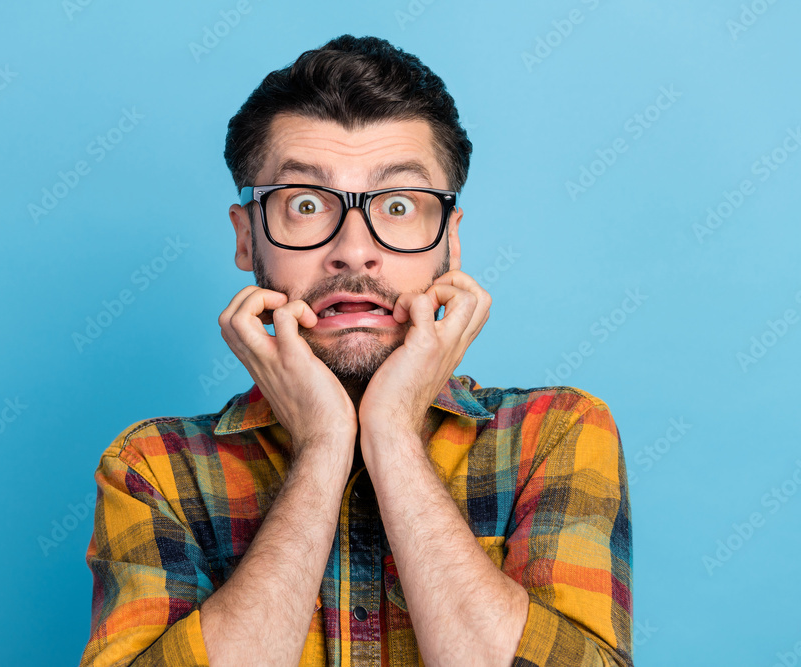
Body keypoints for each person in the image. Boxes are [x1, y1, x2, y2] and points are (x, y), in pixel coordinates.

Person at [79, 34, 632, 667]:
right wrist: (323, 447)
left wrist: (391, 434)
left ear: (449, 242)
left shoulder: (553, 434)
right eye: (305, 205)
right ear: (246, 238)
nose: (354, 251)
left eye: (398, 205)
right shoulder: (154, 467)